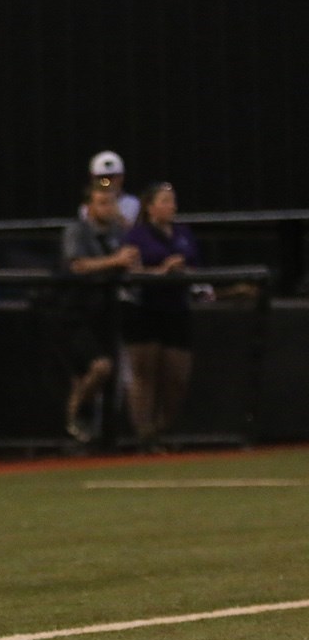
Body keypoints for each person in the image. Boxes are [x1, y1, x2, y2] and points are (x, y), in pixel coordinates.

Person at [121, 182, 200, 450]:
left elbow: (196, 267)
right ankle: (144, 436)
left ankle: (162, 429)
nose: (171, 206)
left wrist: (182, 270)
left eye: (173, 201)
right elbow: (130, 272)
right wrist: (161, 271)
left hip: (176, 309)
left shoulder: (183, 233)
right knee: (145, 374)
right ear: (150, 207)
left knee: (177, 376)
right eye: (165, 201)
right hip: (145, 309)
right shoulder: (137, 236)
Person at [58, 184, 139, 443]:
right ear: (89, 207)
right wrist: (115, 261)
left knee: (104, 374)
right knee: (99, 367)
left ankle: (90, 434)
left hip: (107, 312)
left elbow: (131, 264)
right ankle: (76, 414)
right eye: (102, 203)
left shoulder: (118, 233)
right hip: (77, 313)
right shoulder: (77, 231)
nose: (109, 208)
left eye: (112, 202)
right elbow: (77, 265)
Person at [79, 151, 141, 228]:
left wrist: (117, 215)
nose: (107, 182)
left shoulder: (133, 203)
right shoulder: (87, 207)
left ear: (121, 177)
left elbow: (133, 231)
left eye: (112, 177)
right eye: (102, 178)